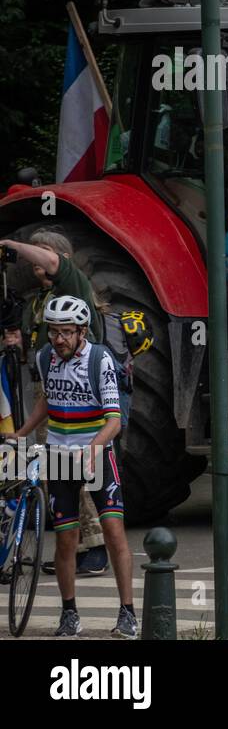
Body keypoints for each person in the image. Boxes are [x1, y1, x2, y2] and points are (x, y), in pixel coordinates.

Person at [10, 295, 137, 638]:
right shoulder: (45, 357)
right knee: (66, 540)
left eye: (66, 332)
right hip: (59, 455)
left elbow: (113, 421)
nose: (59, 339)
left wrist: (91, 450)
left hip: (95, 454)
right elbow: (47, 399)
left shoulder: (100, 360)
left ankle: (127, 613)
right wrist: (19, 435)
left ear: (82, 331)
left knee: (113, 532)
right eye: (54, 332)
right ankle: (70, 614)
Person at [0, 232, 109, 576]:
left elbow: (51, 262)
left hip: (79, 397)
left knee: (77, 472)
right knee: (57, 477)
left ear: (62, 256)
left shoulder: (72, 284)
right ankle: (73, 548)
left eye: (43, 252)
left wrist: (11, 245)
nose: (37, 262)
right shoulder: (42, 299)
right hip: (52, 392)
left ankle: (93, 550)